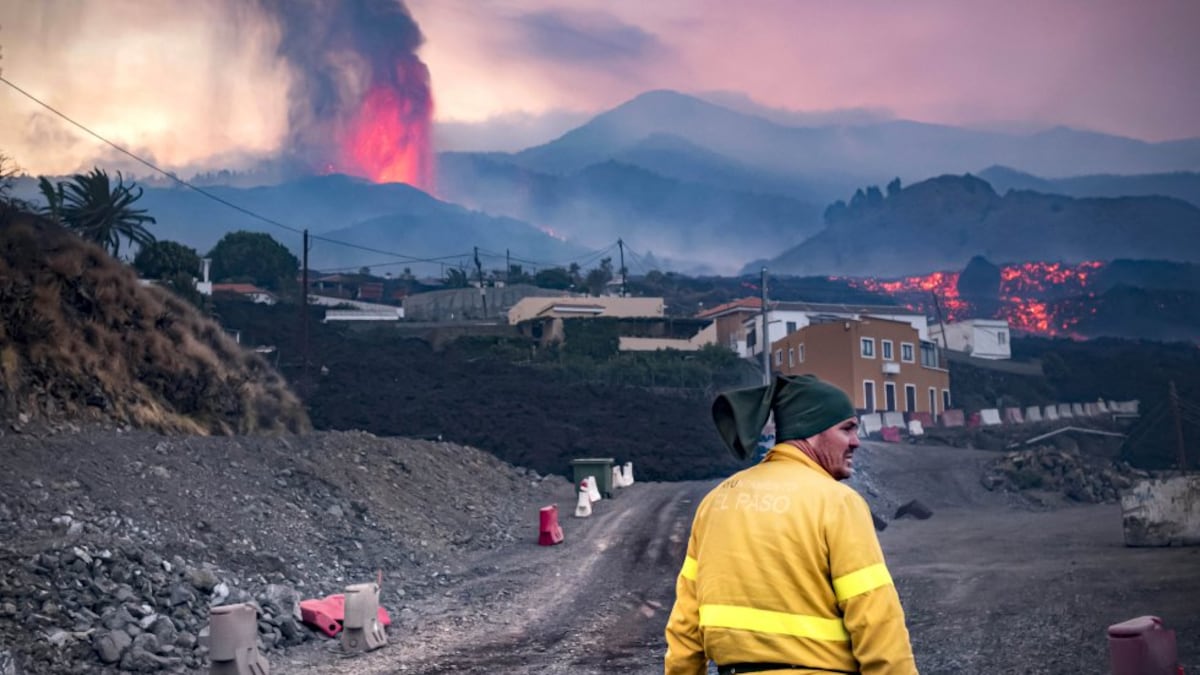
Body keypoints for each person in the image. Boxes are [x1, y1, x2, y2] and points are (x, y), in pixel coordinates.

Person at [664, 374, 917, 675]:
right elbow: (875, 618)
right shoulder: (837, 503)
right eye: (846, 429)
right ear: (811, 431)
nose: (856, 442)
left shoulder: (715, 502)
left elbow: (685, 626)